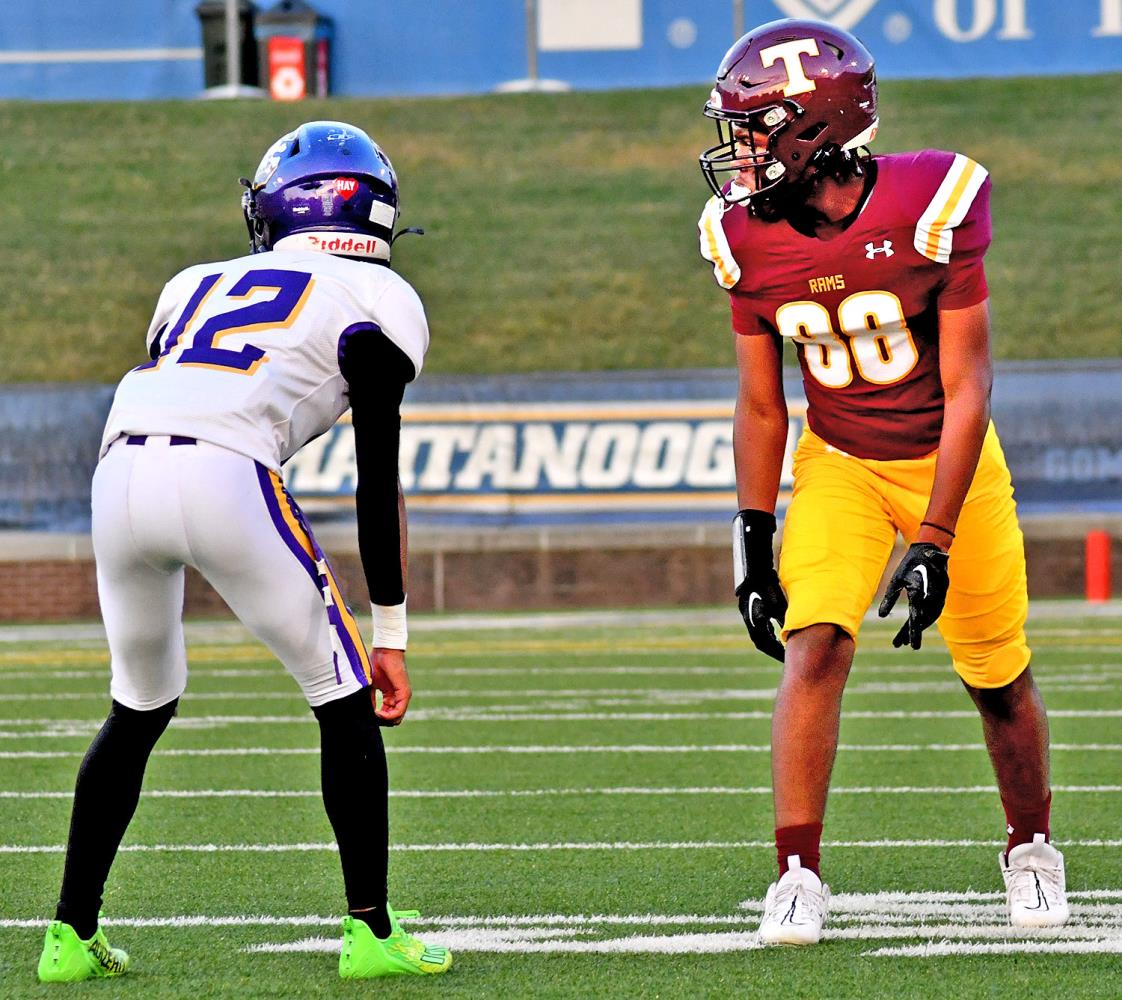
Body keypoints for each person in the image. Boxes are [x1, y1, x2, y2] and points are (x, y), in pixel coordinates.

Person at [37, 121, 452, 982]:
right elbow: (379, 472)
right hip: (227, 475)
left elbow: (183, 381)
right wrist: (393, 629)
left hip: (118, 474)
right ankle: (372, 934)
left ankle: (68, 937)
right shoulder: (383, 299)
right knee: (341, 696)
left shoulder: (192, 281)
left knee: (138, 708)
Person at [697, 19, 1068, 945]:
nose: (738, 156)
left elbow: (968, 385)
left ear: (811, 132)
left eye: (754, 131)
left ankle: (1030, 850)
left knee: (997, 677)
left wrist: (934, 542)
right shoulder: (743, 238)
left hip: (951, 459)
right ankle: (796, 872)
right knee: (813, 643)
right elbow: (760, 404)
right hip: (842, 462)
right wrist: (751, 533)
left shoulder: (934, 200)